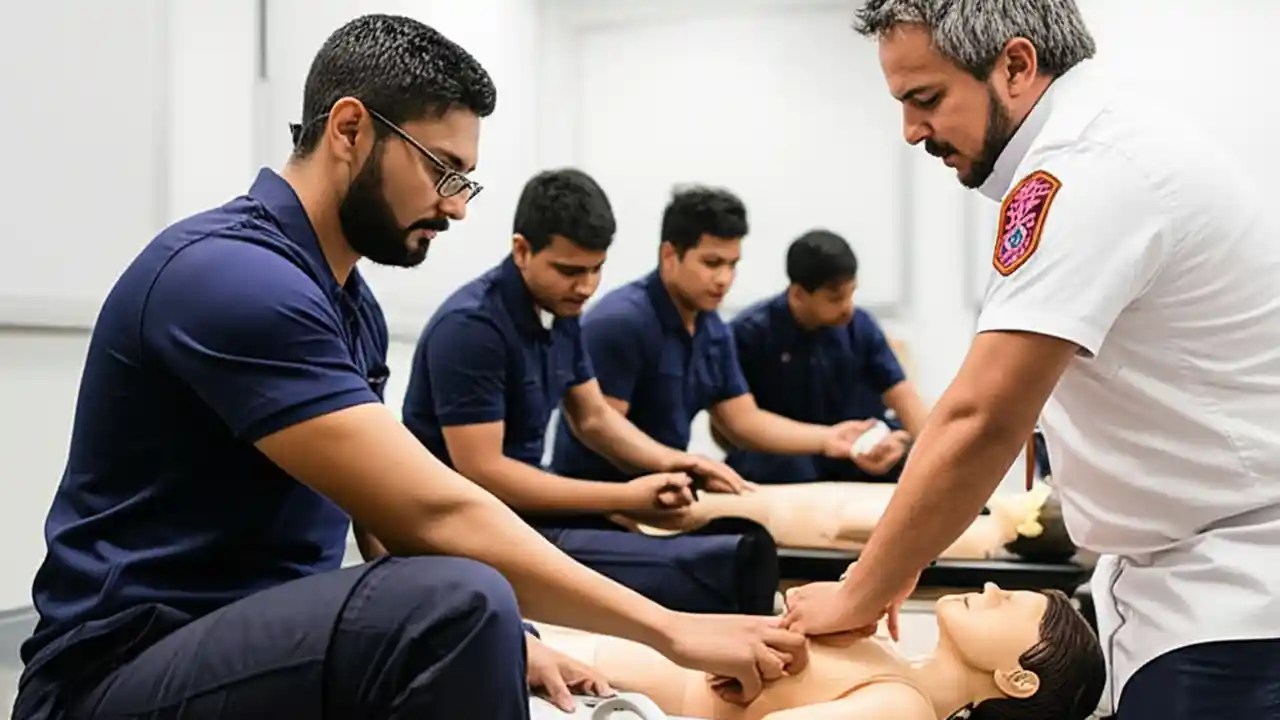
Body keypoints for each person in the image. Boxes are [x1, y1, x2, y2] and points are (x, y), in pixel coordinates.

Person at [13, 16, 806, 720]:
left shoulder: (347, 302)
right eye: (441, 169)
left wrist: (520, 640)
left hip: (248, 634)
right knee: (457, 604)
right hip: (119, 674)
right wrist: (670, 630)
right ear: (350, 129)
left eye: (465, 179)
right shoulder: (229, 277)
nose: (457, 206)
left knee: (484, 618)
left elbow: (387, 522)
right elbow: (438, 511)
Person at [782, 2, 1280, 719]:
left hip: (1235, 586)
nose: (912, 131)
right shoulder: (1107, 143)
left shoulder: (1087, 172)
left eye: (926, 100)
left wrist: (861, 589)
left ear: (1016, 65)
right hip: (1189, 574)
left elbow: (984, 415)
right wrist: (903, 555)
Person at [401, 168, 777, 616]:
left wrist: (677, 461)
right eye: (569, 271)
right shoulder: (472, 327)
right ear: (522, 250)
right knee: (717, 569)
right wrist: (624, 498)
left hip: (519, 515)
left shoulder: (560, 310)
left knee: (734, 540)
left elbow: (594, 417)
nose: (585, 287)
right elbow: (484, 472)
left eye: (596, 270)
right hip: (463, 529)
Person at [549, 186, 868, 488]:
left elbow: (743, 421)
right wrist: (680, 464)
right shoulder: (620, 322)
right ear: (669, 256)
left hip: (666, 493)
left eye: (732, 265)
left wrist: (830, 439)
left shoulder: (712, 329)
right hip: (602, 503)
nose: (724, 279)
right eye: (712, 263)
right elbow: (601, 430)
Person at [536, 583, 1105, 720]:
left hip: (584, 690)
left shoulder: (900, 710)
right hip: (580, 659)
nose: (990, 589)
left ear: (1018, 680)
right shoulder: (894, 669)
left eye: (1009, 606)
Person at [720, 230, 929, 484]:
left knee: (906, 457)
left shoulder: (860, 326)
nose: (848, 308)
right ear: (798, 295)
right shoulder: (749, 334)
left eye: (852, 294)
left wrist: (912, 445)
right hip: (791, 452)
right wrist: (824, 439)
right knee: (781, 467)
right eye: (835, 298)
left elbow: (904, 398)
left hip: (859, 450)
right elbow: (732, 425)